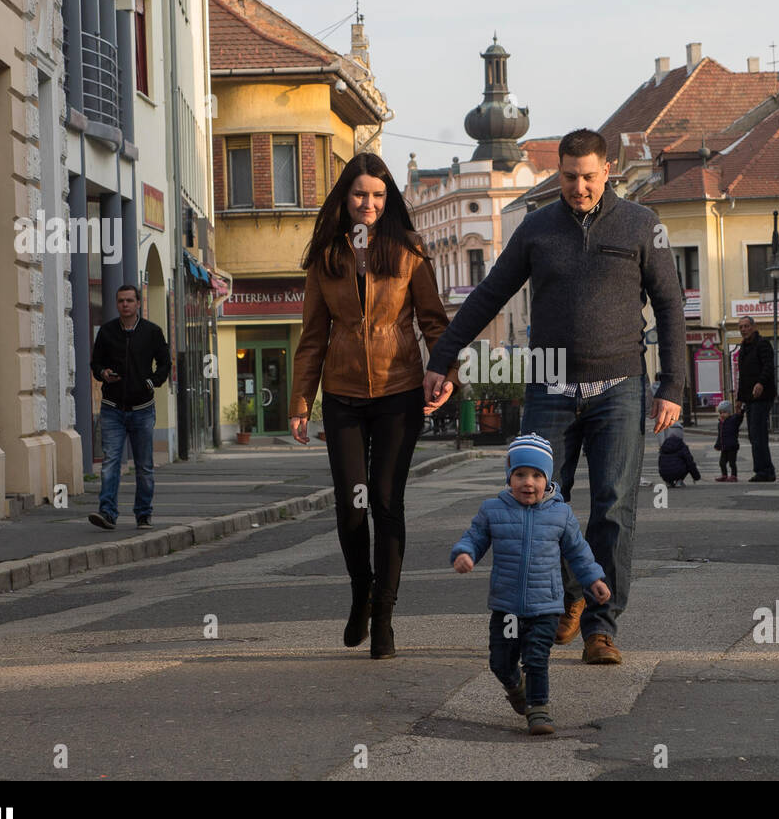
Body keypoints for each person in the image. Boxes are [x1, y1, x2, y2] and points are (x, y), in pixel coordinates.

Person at [423, 128, 686, 666]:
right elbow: (490, 292)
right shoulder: (537, 227)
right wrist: (442, 358)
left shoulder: (642, 224)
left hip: (620, 384)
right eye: (569, 177)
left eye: (588, 177)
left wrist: (673, 385)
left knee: (614, 506)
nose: (579, 187)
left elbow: (670, 305)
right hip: (549, 381)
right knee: (545, 501)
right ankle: (568, 592)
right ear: (559, 173)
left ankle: (601, 627)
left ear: (606, 170)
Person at [288, 152, 459, 660]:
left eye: (379, 195)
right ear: (345, 197)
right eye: (361, 194)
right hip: (342, 395)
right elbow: (313, 336)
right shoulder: (327, 256)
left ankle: (384, 613)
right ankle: (361, 589)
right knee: (351, 505)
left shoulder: (409, 250)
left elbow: (434, 321)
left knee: (386, 502)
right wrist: (301, 401)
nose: (369, 203)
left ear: (389, 200)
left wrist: (445, 373)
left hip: (399, 391)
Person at [451, 433, 611, 735]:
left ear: (547, 478)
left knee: (536, 658)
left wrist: (594, 580)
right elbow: (474, 537)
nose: (529, 482)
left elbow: (579, 553)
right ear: (509, 477)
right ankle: (515, 688)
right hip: (507, 607)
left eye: (537, 475)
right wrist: (464, 553)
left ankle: (538, 710)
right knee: (501, 661)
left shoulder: (560, 514)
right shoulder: (493, 510)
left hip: (545, 606)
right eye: (520, 474)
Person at [88, 285, 171, 530]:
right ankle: (108, 513)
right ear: (117, 304)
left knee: (144, 465)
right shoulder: (107, 332)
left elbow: (165, 363)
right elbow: (95, 363)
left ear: (137, 304)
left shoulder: (152, 332)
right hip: (112, 407)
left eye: (129, 300)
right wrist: (103, 373)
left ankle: (143, 513)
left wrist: (152, 381)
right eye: (121, 301)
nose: (125, 304)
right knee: (110, 462)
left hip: (142, 409)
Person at [736, 315, 777, 482]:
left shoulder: (763, 345)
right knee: (754, 435)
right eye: (741, 327)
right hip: (750, 398)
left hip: (762, 396)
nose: (744, 329)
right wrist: (739, 399)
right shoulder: (743, 349)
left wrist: (760, 383)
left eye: (746, 326)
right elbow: (743, 376)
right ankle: (763, 469)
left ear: (753, 327)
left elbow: (768, 366)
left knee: (758, 434)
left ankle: (765, 471)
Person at [657, 421, 700, 487]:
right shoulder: (682, 446)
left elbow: (660, 461)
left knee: (666, 463)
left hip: (664, 473)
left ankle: (668, 482)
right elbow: (690, 463)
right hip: (678, 472)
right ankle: (679, 481)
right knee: (686, 462)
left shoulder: (664, 446)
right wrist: (696, 477)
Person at [714, 400, 743, 482]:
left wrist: (739, 411)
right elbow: (720, 435)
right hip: (724, 447)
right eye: (720, 413)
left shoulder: (733, 420)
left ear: (729, 412)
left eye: (724, 412)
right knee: (722, 462)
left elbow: (739, 417)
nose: (722, 415)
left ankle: (734, 475)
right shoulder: (720, 423)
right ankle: (724, 475)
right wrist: (717, 445)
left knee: (732, 462)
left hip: (732, 446)